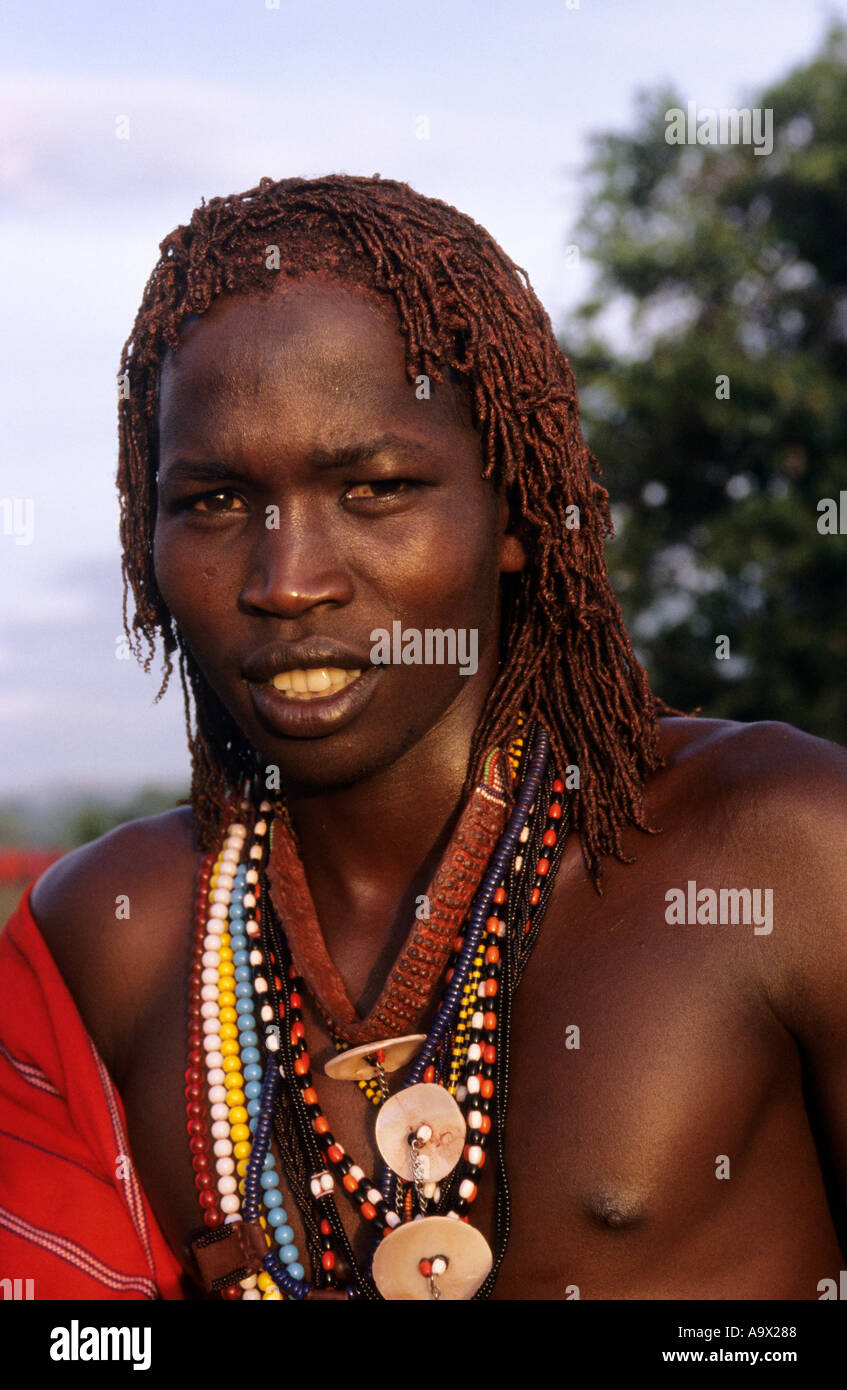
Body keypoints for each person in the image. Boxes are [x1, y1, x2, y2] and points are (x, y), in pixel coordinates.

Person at [1, 173, 846, 1302]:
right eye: (212, 502)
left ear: (514, 511)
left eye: (376, 488)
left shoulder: (784, 851)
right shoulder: (110, 939)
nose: (287, 581)